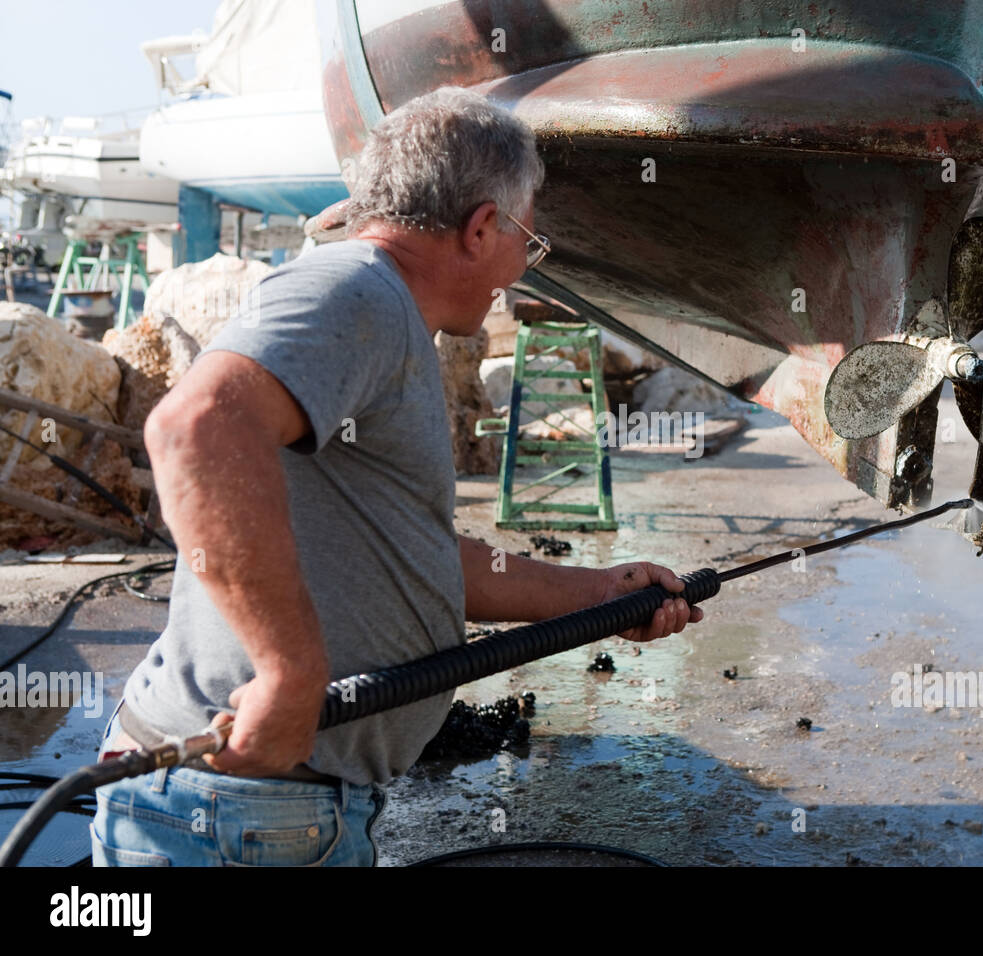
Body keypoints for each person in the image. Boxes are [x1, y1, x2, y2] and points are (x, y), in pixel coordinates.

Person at [90, 86, 702, 867]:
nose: (521, 268)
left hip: (258, 806)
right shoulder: (361, 291)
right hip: (239, 811)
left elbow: (410, 555)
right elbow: (195, 427)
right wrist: (289, 672)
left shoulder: (382, 312)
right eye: (529, 244)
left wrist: (597, 595)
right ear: (483, 228)